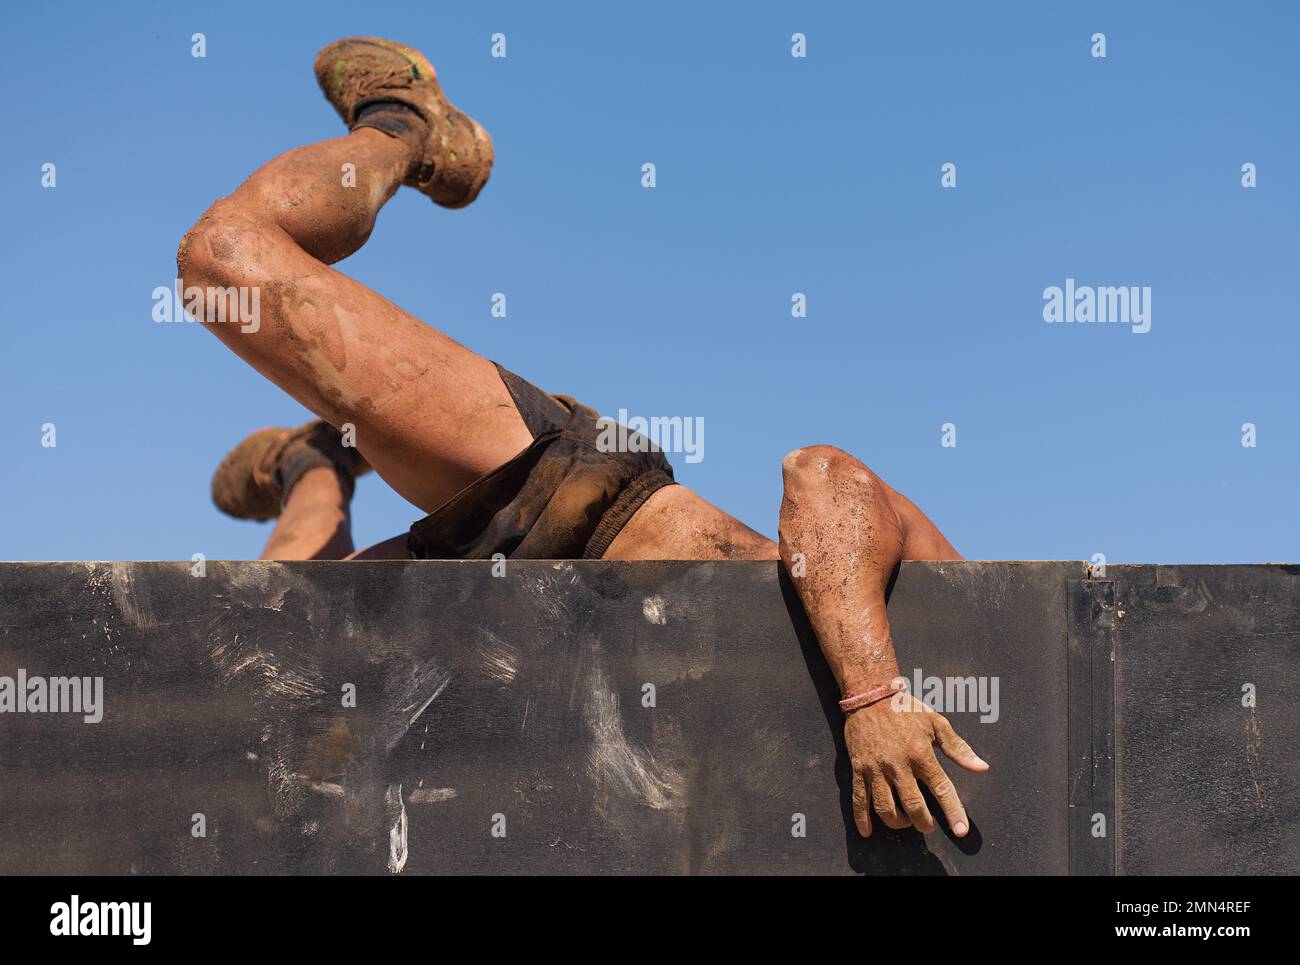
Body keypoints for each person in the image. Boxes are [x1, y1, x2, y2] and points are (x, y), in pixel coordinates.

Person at [183, 36, 989, 843]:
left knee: (268, 642)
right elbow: (822, 474)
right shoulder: (964, 627)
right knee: (225, 263)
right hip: (564, 509)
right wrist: (875, 695)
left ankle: (312, 466)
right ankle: (403, 127)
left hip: (525, 653)